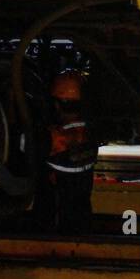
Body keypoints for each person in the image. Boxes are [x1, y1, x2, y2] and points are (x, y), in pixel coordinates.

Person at [38, 69, 97, 235]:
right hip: (82, 217)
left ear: (56, 104)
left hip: (54, 220)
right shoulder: (88, 133)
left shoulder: (54, 137)